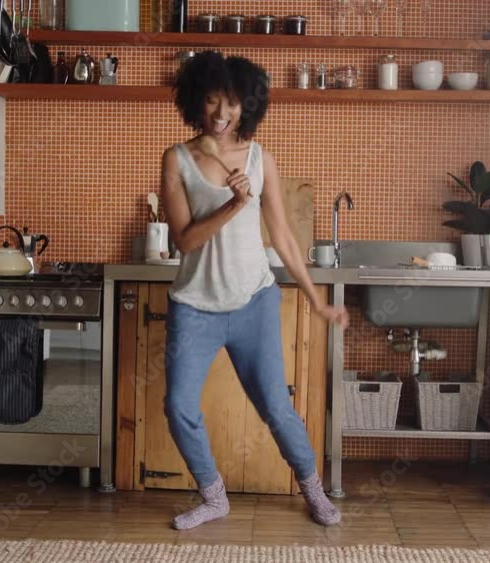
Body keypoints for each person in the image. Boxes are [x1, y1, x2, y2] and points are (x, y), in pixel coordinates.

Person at [159, 51, 348, 530]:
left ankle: (313, 491)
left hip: (254, 301)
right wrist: (234, 204)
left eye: (234, 103)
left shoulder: (262, 158)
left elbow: (283, 237)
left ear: (249, 106)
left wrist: (315, 300)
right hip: (194, 308)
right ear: (196, 102)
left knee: (275, 407)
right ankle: (213, 495)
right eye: (212, 101)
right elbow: (183, 240)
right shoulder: (177, 159)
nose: (222, 114)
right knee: (178, 406)